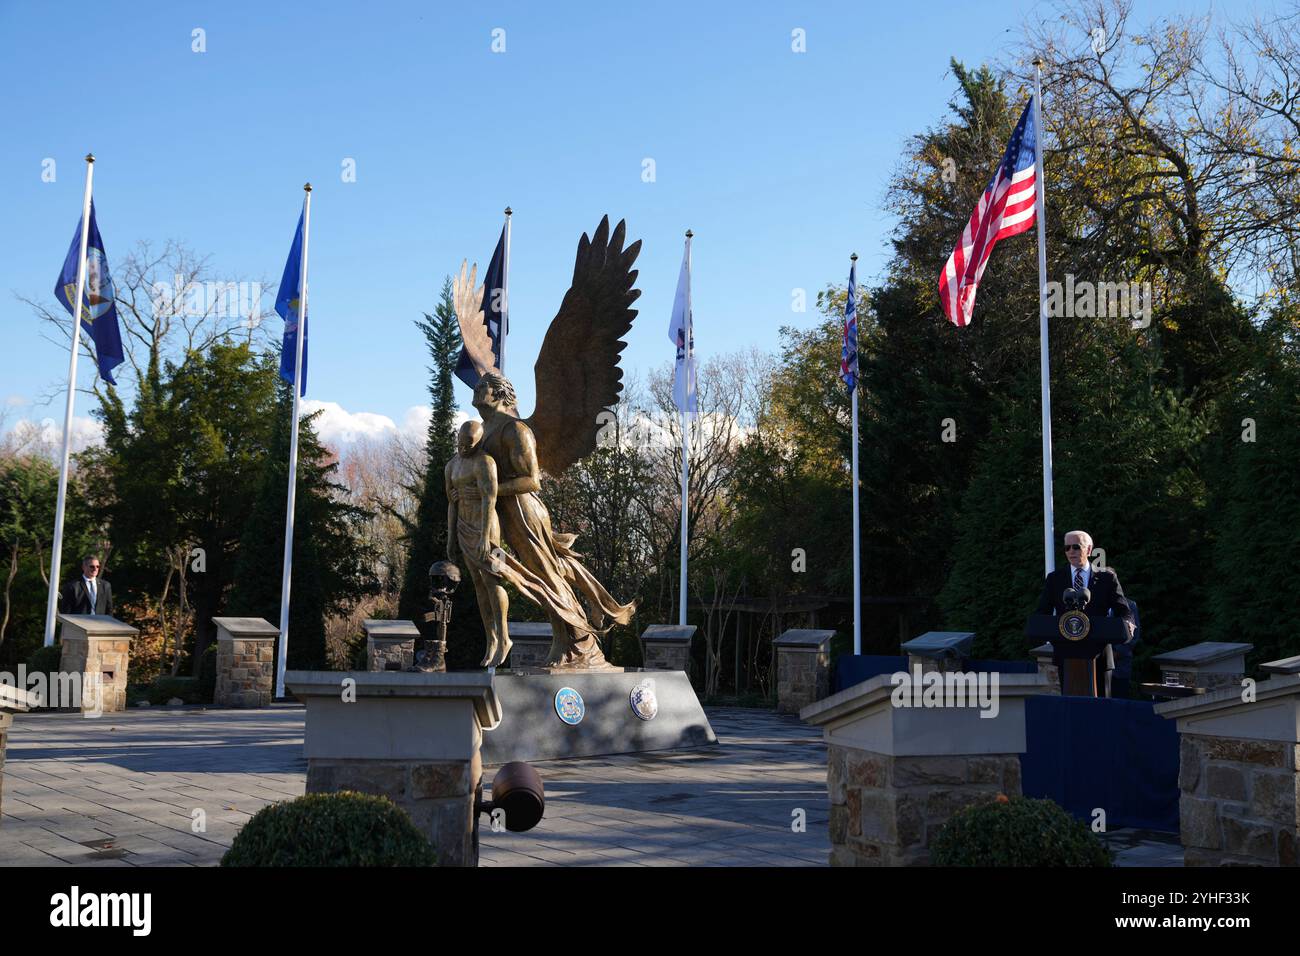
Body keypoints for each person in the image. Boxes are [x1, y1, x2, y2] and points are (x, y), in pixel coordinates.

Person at [1034, 530, 1134, 695]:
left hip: (1099, 656)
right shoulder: (1055, 579)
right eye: (1067, 547)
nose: (1071, 551)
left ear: (1089, 550)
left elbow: (1124, 610)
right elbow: (1042, 612)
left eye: (1076, 547)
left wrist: (1128, 624)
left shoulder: (1106, 578)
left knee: (1101, 709)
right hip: (1066, 655)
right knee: (1071, 708)